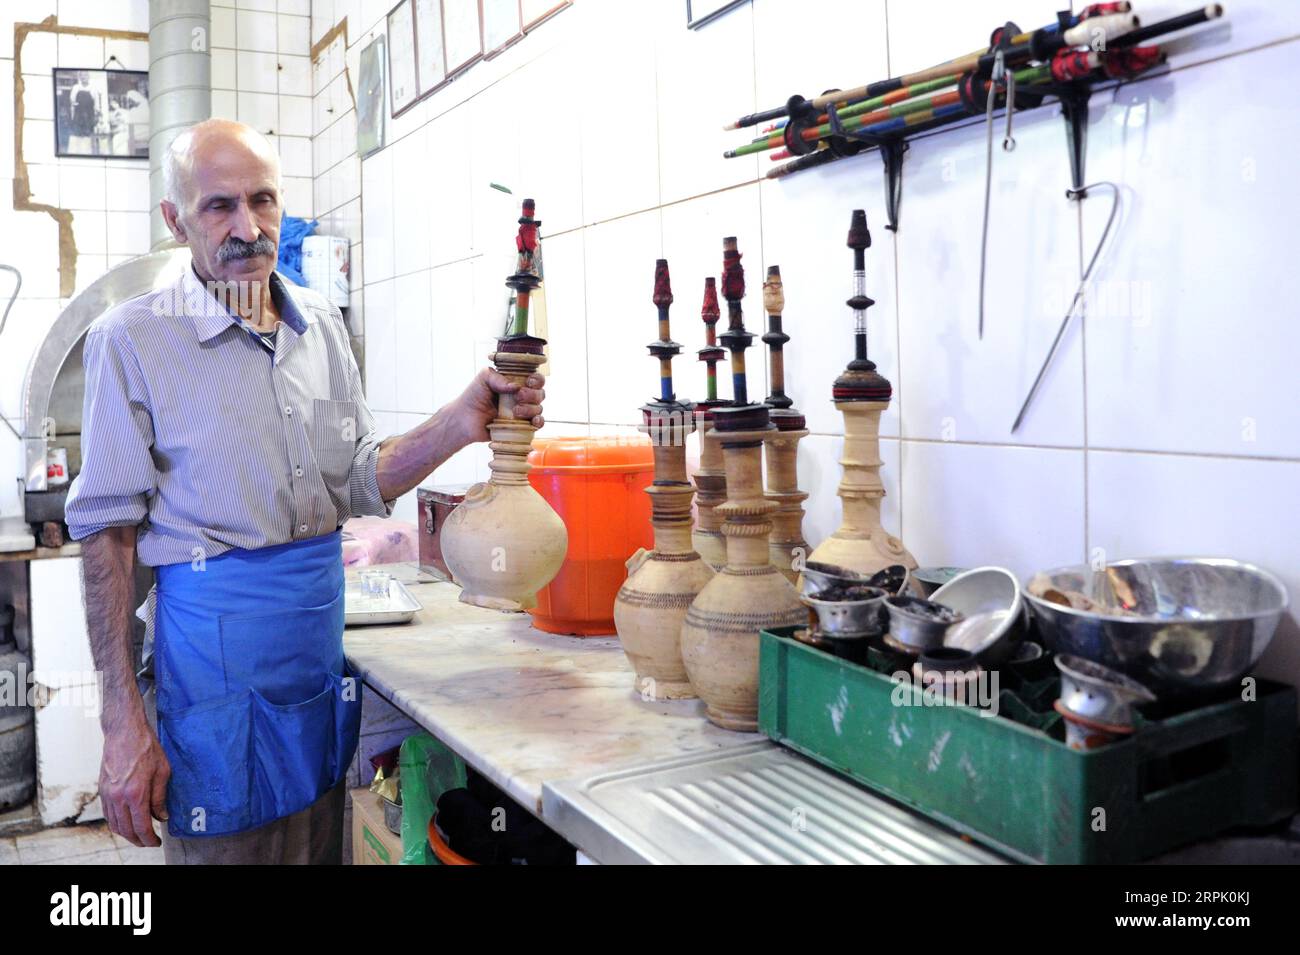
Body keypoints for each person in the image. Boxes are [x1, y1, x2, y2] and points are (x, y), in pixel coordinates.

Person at [64, 118, 545, 864]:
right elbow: (108, 536)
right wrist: (121, 718)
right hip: (214, 680)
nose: (247, 228)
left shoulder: (319, 324)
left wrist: (460, 422)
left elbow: (351, 475)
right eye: (218, 206)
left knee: (319, 848)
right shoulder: (132, 340)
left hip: (312, 669)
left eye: (263, 200)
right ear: (174, 220)